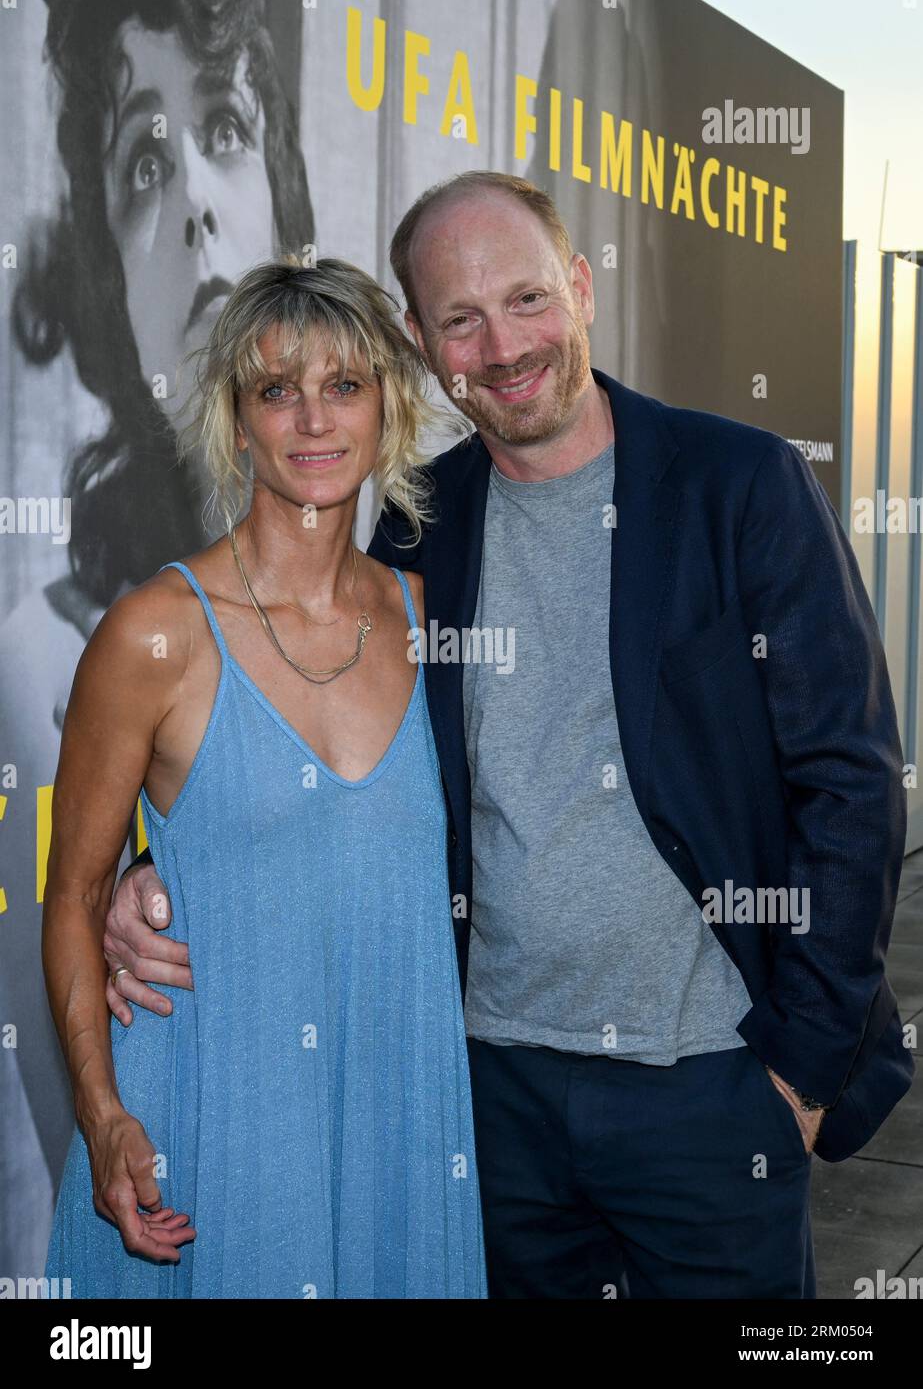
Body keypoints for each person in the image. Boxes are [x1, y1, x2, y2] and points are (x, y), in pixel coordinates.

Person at [103, 172, 913, 1300]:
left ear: (579, 288)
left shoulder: (741, 485)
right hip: (488, 1100)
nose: (502, 346)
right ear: (421, 345)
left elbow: (852, 784)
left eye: (527, 300)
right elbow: (321, 742)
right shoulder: (416, 527)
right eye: (460, 320)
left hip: (711, 1084)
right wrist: (148, 869)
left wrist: (801, 1067)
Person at [41, 256, 486, 1298]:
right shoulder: (157, 633)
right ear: (237, 422)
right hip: (204, 1122)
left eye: (344, 386)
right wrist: (103, 1115)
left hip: (393, 1129)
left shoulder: (432, 619)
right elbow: (73, 896)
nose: (313, 420)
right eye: (276, 389)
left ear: (388, 409)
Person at [1, 0, 315, 1275]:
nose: (191, 196)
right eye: (142, 160)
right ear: (106, 282)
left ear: (288, 217)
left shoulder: (405, 589)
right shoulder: (42, 662)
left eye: (224, 129)